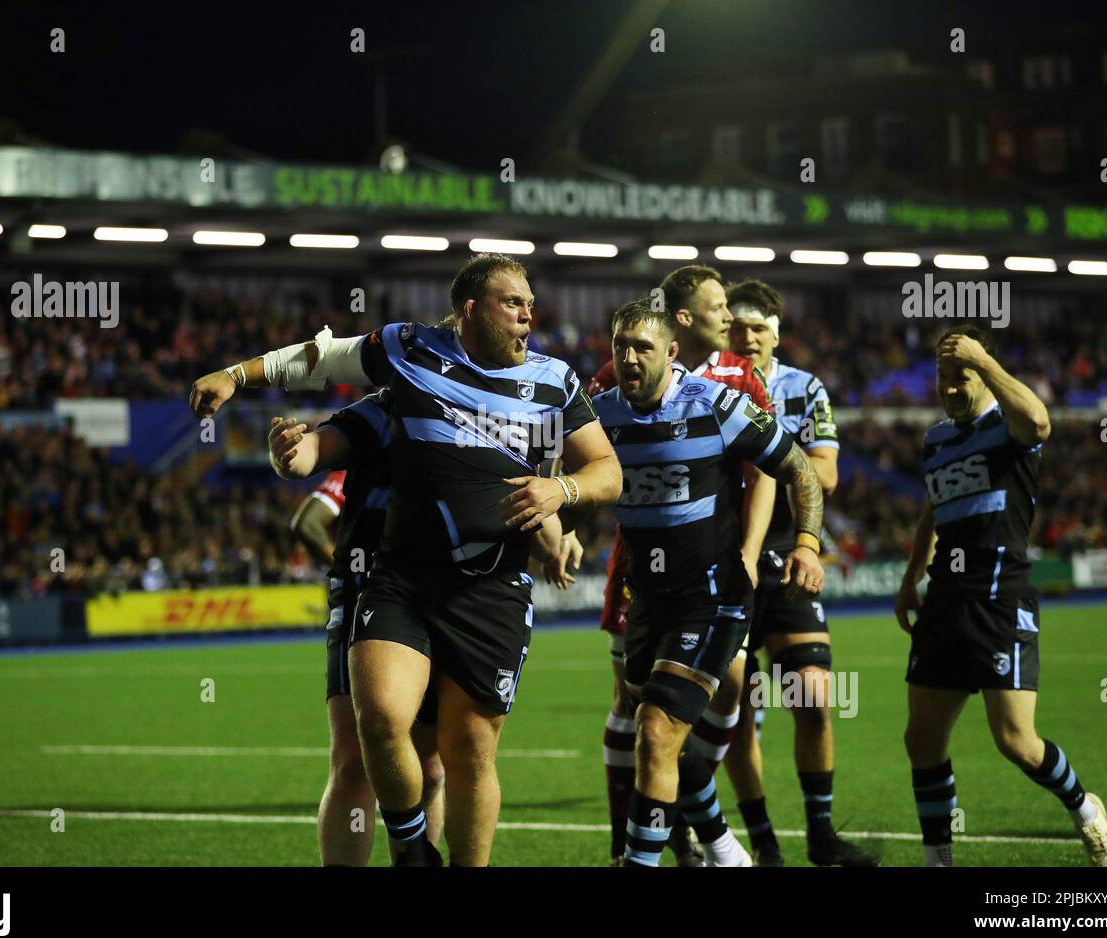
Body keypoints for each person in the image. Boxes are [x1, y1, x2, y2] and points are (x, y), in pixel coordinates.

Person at [190, 254, 622, 866]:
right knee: (378, 724)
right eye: (513, 303)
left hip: (491, 589)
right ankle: (413, 848)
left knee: (466, 752)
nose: (529, 315)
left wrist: (562, 492)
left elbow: (607, 471)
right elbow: (322, 358)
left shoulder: (556, 381)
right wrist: (237, 377)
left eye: (531, 304)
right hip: (400, 579)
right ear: (469, 308)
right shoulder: (409, 355)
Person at [591, 298, 824, 867]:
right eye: (620, 346)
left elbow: (798, 468)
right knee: (664, 736)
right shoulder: (598, 417)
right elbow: (569, 487)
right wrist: (560, 530)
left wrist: (807, 544)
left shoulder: (718, 404)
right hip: (647, 601)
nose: (628, 357)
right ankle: (726, 850)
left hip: (713, 597)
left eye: (641, 347)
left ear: (671, 353)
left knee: (655, 731)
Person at [893, 325, 1107, 867]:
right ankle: (938, 858)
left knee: (1016, 741)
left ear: (984, 373)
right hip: (944, 601)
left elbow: (1041, 419)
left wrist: (985, 362)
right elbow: (932, 509)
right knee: (921, 740)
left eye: (961, 376)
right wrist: (910, 577)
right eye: (943, 378)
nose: (949, 387)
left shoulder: (1010, 425)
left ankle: (1086, 811)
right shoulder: (936, 440)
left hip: (999, 599)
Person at [715, 278, 878, 867]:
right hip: (719, 557)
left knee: (811, 695)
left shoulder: (804, 388)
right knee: (734, 712)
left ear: (777, 335)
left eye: (759, 328)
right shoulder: (706, 383)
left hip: (784, 555)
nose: (747, 336)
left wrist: (762, 452)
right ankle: (762, 843)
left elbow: (828, 474)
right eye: (737, 327)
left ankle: (821, 834)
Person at [281, 394, 445, 866]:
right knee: (354, 762)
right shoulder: (372, 433)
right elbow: (307, 522)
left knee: (429, 769)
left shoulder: (465, 427)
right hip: (364, 596)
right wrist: (343, 573)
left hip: (443, 597)